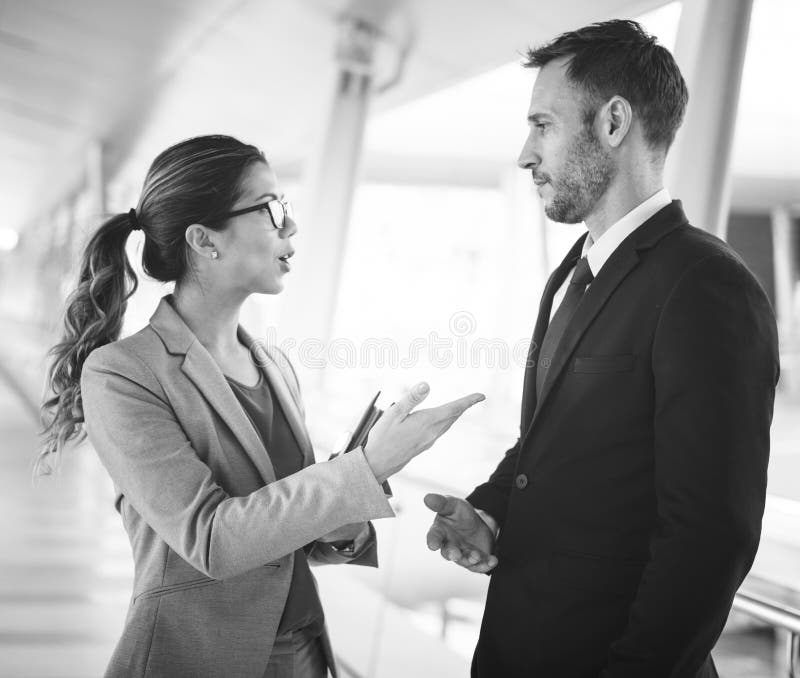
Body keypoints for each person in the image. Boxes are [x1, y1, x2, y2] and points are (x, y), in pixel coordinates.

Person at [38, 134, 484, 678]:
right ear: (204, 240)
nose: (290, 227)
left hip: (303, 654)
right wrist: (364, 470)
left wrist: (346, 520)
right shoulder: (122, 375)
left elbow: (288, 532)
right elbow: (212, 539)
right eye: (271, 209)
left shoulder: (276, 365)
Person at [424, 20, 779, 678]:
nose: (525, 154)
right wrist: (491, 513)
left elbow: (708, 536)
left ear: (614, 122)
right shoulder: (577, 274)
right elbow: (554, 440)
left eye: (543, 125)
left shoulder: (708, 286)